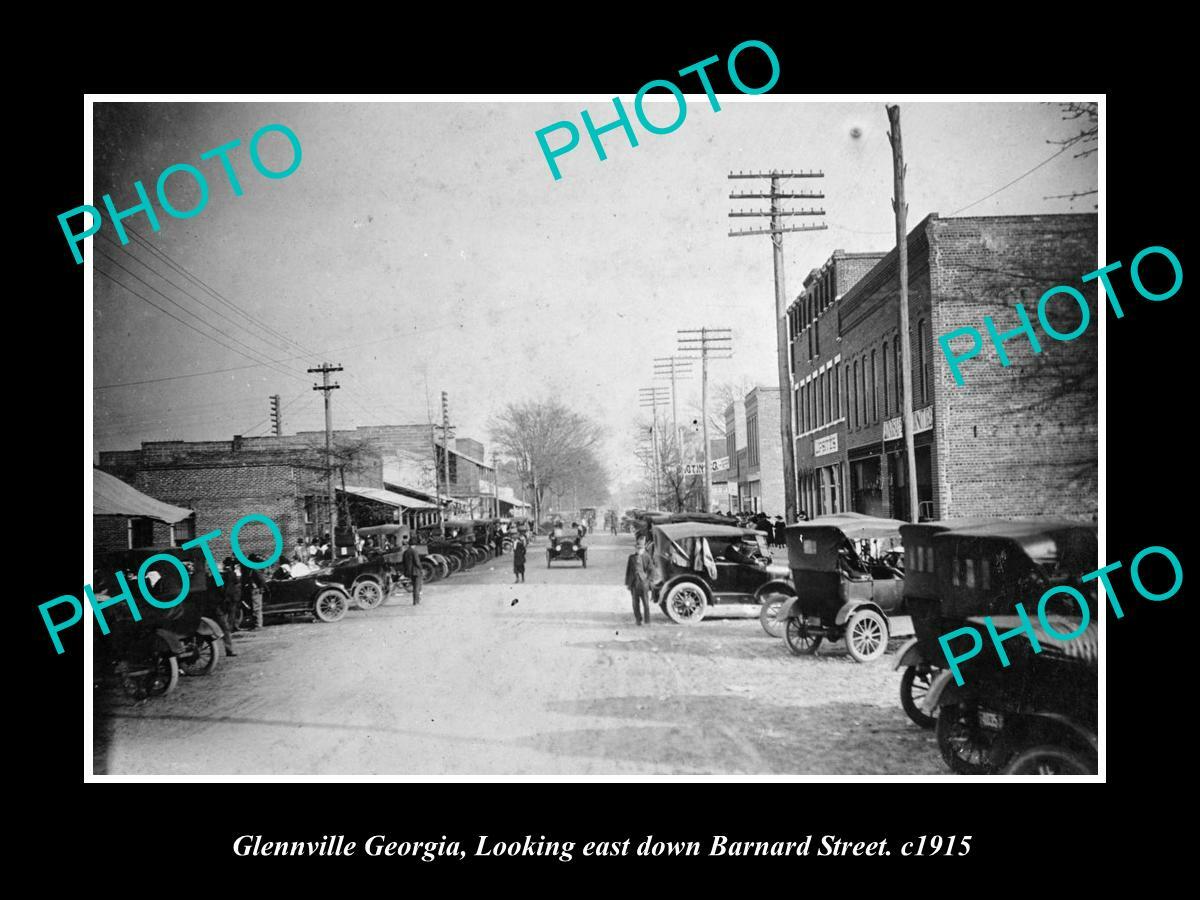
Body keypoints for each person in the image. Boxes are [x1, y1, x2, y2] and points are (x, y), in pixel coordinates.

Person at [625, 533, 654, 626]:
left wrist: (648, 581)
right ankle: (638, 619)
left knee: (646, 603)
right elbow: (628, 571)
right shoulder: (631, 558)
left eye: (641, 548)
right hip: (634, 583)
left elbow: (651, 570)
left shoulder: (647, 557)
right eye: (637, 548)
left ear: (644, 549)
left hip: (643, 583)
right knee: (635, 603)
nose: (639, 550)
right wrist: (628, 584)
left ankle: (647, 620)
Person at [401, 538, 423, 605]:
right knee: (417, 587)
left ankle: (416, 601)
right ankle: (416, 601)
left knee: (414, 586)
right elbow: (417, 562)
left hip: (409, 572)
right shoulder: (414, 551)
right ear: (414, 545)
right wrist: (421, 568)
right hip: (416, 571)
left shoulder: (405, 552)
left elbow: (404, 563)